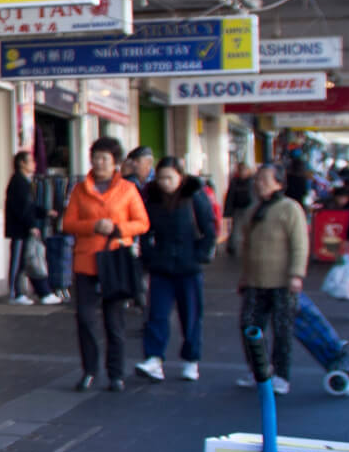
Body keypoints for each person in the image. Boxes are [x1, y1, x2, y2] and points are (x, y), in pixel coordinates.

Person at [61, 135, 149, 392]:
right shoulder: (79, 189)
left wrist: (118, 228)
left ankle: (116, 373)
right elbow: (68, 223)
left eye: (105, 159)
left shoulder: (127, 190)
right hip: (86, 260)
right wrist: (92, 226)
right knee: (85, 318)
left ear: (115, 163)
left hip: (114, 261)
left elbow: (142, 222)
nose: (99, 163)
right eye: (96, 157)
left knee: (115, 320)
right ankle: (89, 369)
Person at [134, 157, 216, 382]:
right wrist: (148, 255)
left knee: (190, 316)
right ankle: (154, 358)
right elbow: (145, 229)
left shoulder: (194, 196)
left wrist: (199, 254)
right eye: (160, 177)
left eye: (169, 177)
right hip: (161, 266)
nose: (164, 182)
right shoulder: (152, 197)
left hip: (189, 267)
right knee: (156, 314)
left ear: (181, 177)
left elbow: (208, 227)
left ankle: (191, 360)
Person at [238, 162, 309, 392]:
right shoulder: (253, 210)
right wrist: (244, 275)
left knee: (282, 329)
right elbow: (247, 246)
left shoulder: (290, 208)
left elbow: (300, 244)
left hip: (282, 281)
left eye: (264, 180)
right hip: (255, 281)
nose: (258, 184)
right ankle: (258, 370)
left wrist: (296, 274)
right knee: (249, 326)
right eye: (257, 179)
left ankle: (282, 374)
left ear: (278, 182)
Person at [4, 152, 57, 304]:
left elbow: (29, 206)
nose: (34, 164)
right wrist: (31, 224)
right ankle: (15, 293)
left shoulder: (25, 182)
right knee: (18, 261)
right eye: (31, 161)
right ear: (22, 163)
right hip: (19, 229)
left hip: (23, 228)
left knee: (28, 259)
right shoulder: (18, 182)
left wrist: (45, 212)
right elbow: (23, 207)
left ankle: (37, 291)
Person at [224, 162, 255, 260]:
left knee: (249, 229)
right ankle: (232, 247)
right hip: (238, 208)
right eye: (240, 170)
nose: (242, 173)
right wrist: (228, 211)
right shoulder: (235, 182)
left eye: (243, 170)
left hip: (249, 208)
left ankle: (248, 247)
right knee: (236, 229)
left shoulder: (252, 181)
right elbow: (230, 197)